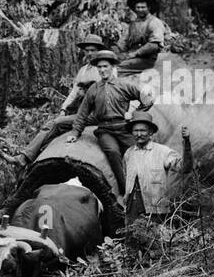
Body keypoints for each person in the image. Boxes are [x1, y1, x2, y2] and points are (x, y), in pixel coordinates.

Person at [5, 34, 110, 171]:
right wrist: (64, 108)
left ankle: (25, 158)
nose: (90, 53)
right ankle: (30, 157)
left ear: (99, 50)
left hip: (94, 113)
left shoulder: (104, 69)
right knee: (52, 125)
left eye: (93, 50)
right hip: (80, 110)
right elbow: (74, 92)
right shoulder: (83, 70)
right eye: (87, 50)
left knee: (56, 123)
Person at [65, 50, 153, 195]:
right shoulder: (93, 89)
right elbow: (82, 113)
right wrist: (75, 132)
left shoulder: (124, 85)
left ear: (112, 67)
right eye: (99, 67)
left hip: (124, 127)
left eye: (105, 66)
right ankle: (126, 191)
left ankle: (146, 190)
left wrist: (134, 114)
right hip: (105, 130)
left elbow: (148, 100)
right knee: (112, 152)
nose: (102, 70)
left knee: (138, 153)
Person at [123, 112, 193, 222]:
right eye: (136, 130)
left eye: (143, 130)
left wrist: (187, 142)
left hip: (156, 211)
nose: (139, 134)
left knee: (154, 238)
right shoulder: (129, 154)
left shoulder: (162, 152)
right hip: (132, 210)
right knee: (132, 237)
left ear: (150, 132)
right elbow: (126, 177)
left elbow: (185, 168)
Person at [117, 0, 165, 73]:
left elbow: (154, 45)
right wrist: (119, 51)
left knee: (120, 67)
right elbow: (123, 41)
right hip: (132, 56)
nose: (140, 10)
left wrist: (136, 53)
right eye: (138, 7)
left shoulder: (154, 22)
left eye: (143, 7)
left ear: (149, 8)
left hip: (148, 59)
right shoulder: (133, 24)